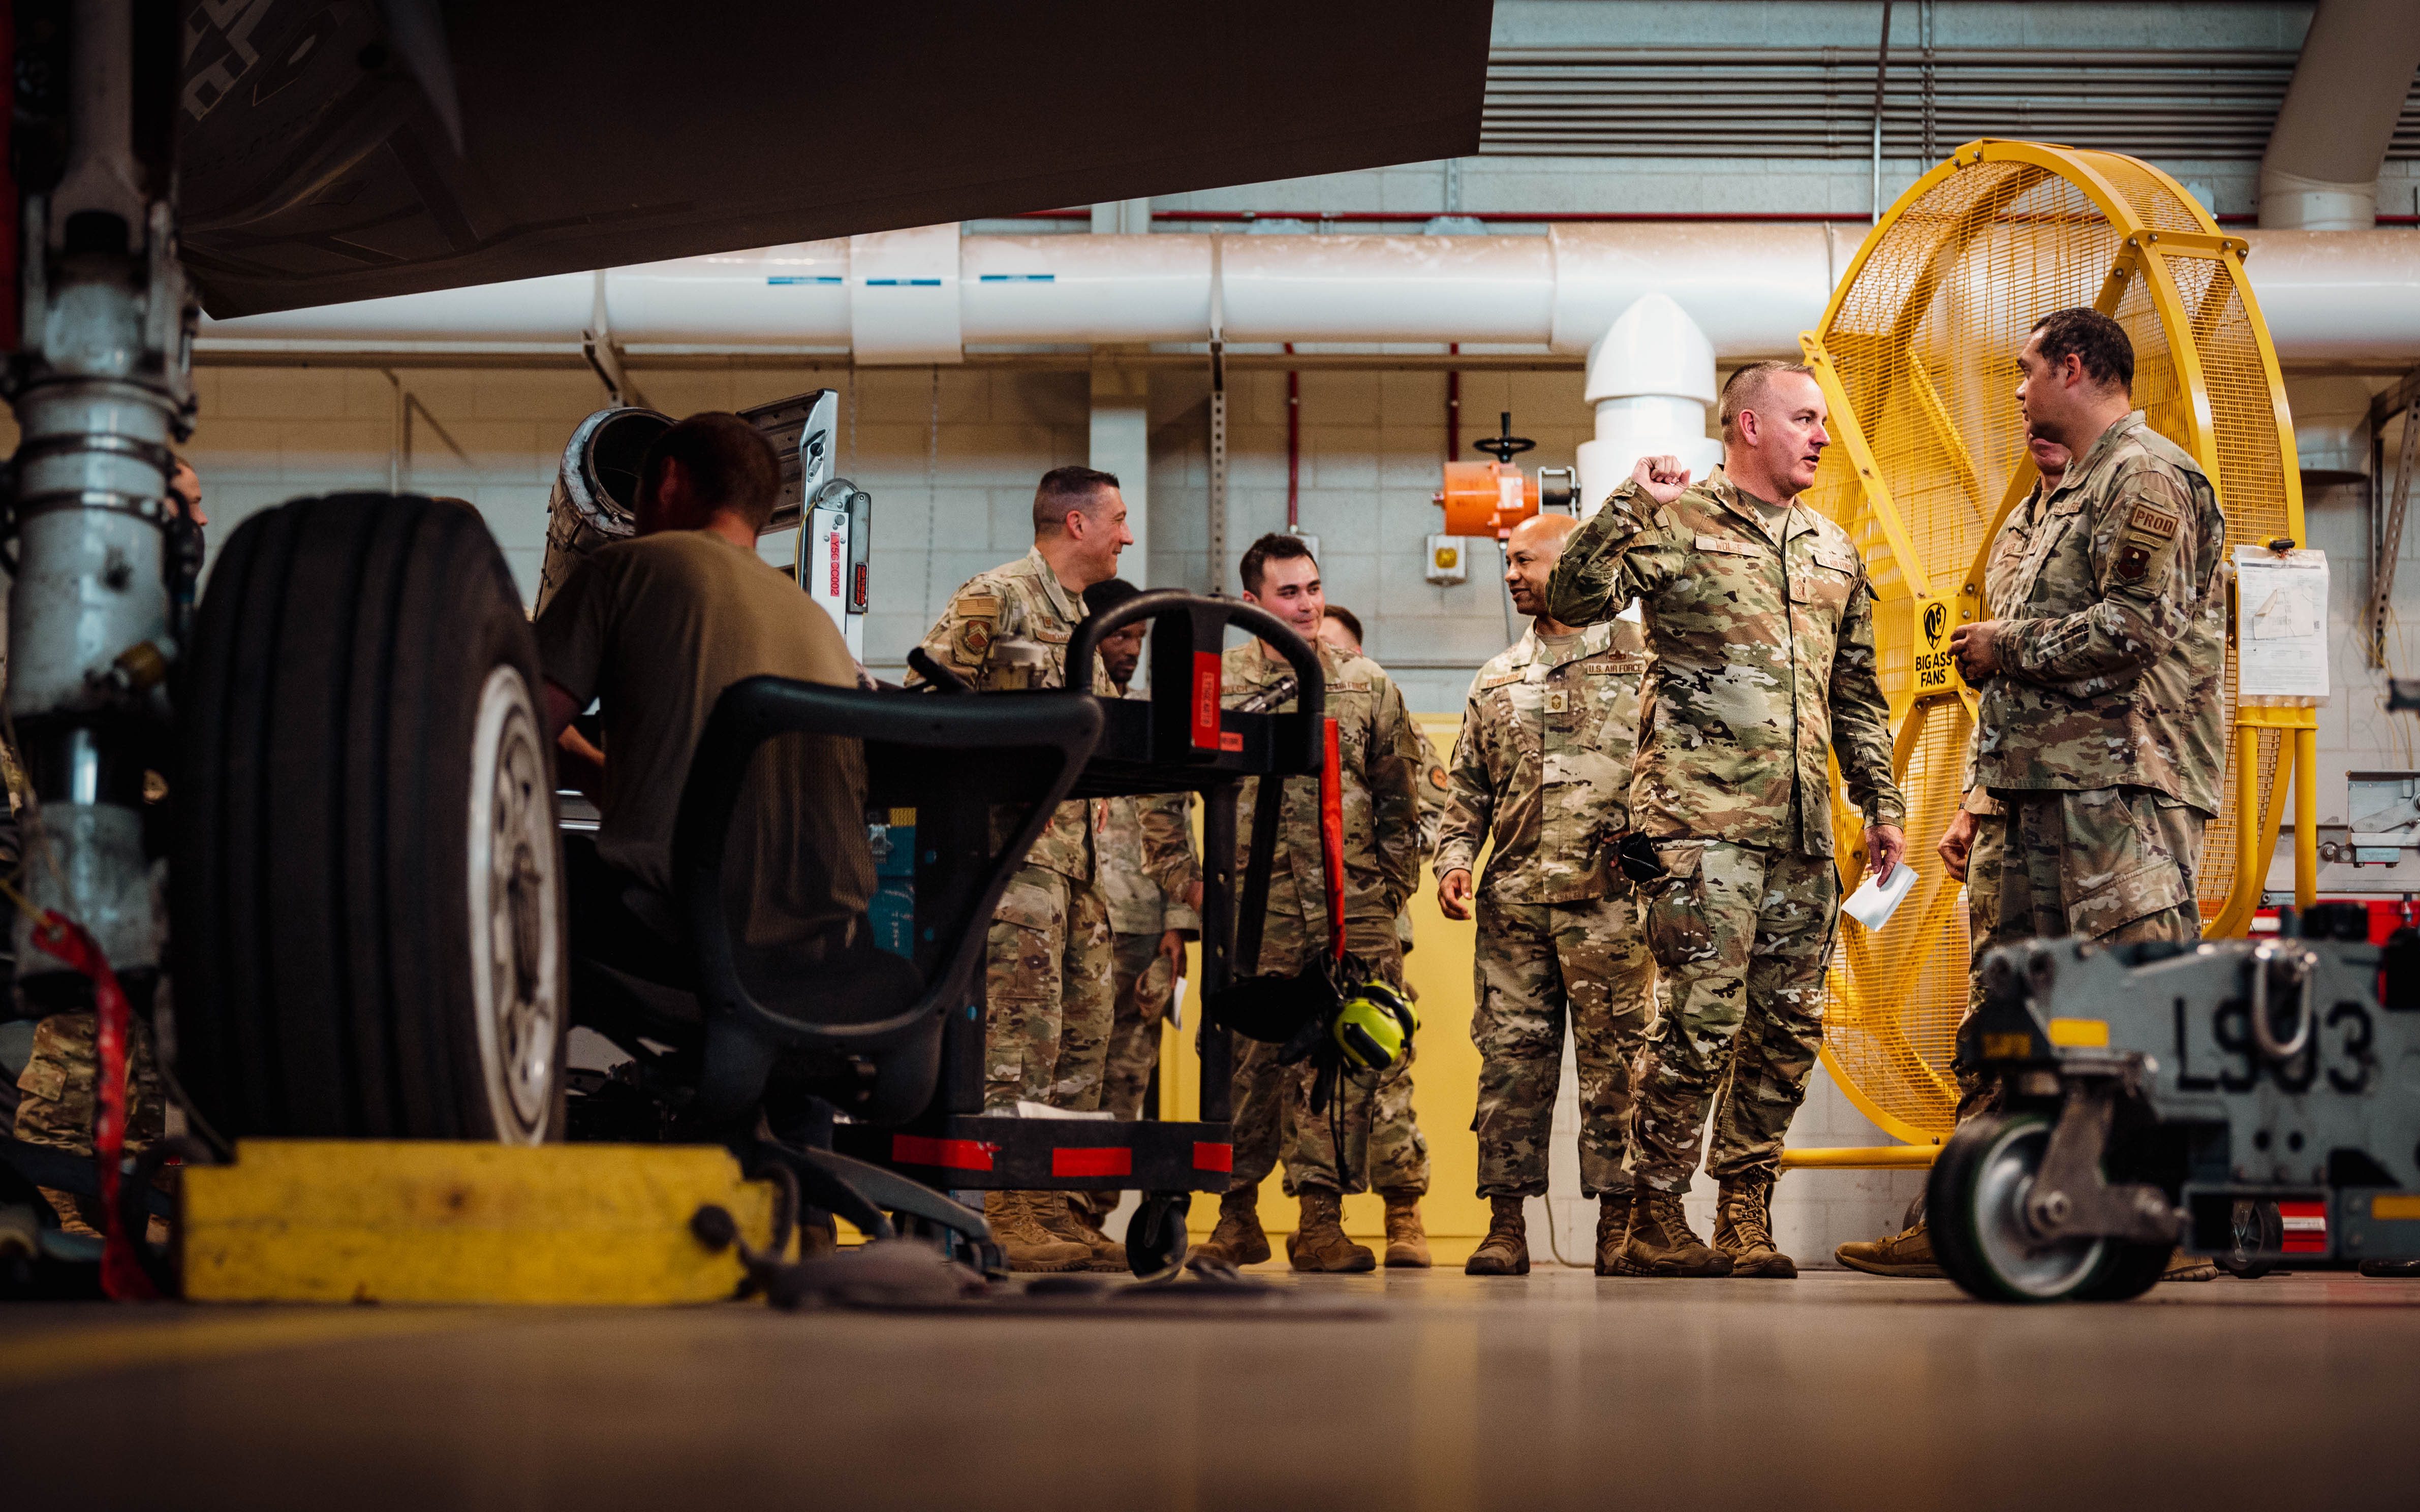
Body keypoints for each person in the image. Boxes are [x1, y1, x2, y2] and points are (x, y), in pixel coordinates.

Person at [1839, 308, 2227, 1281]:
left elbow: (2133, 628)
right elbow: (2015, 677)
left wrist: (2002, 646)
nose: (2015, 390)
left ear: (2076, 366)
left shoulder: (2147, 478)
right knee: (2003, 1014)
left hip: (2121, 795)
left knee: (2131, 1009)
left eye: (2024, 371)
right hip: (2028, 797)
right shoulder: (2044, 503)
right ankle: (1969, 1213)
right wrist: (1976, 794)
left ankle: (2152, 1224)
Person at [1545, 362, 1906, 1279]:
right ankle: (1658, 1212)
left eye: (1822, 421)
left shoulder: (1833, 549)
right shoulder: (1677, 521)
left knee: (1786, 1030)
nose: (1821, 437)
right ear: (1748, 426)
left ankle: (1745, 1213)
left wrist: (1881, 808)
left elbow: (1857, 694)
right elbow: (1573, 600)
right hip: (1698, 826)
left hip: (1801, 835)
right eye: (1804, 420)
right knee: (1699, 1023)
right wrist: (1629, 503)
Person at [915, 466, 1133, 1271]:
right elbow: (923, 701)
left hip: (1078, 870)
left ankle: (1051, 1204)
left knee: (1079, 1047)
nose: (1127, 534)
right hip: (1015, 866)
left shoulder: (1080, 616)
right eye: (1117, 519)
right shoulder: (997, 597)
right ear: (1076, 524)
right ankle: (1004, 1205)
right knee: (1018, 1044)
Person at [1193, 534, 1424, 1273]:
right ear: (1249, 603)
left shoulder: (1364, 683)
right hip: (1251, 909)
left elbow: (1399, 803)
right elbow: (1165, 795)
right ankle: (1236, 1217)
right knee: (1241, 1062)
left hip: (1346, 906)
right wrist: (1185, 882)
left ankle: (1320, 1222)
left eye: (1314, 589)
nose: (1306, 605)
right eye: (1288, 592)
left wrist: (1385, 893)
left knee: (1339, 1061)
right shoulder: (1215, 686)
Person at [1436, 512, 1656, 1276]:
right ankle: (1504, 1228)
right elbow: (1465, 791)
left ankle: (1619, 1230)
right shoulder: (1495, 677)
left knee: (1619, 1069)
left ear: (1573, 563)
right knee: (1509, 1067)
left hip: (1614, 906)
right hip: (1516, 909)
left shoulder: (1645, 659)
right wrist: (1454, 861)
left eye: (1523, 560)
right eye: (1506, 562)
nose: (1508, 574)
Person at [1072, 578, 1202, 1233]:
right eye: (1119, 635)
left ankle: (1092, 1218)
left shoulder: (1151, 721)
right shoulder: (1067, 711)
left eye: (1138, 639)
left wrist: (1178, 925)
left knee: (1126, 1079)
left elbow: (1172, 823)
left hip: (1143, 929)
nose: (1129, 650)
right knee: (1068, 1067)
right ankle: (1050, 1211)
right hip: (1078, 920)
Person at [1315, 603, 1437, 1268]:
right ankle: (1317, 1217)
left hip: (1373, 922)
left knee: (1382, 1067)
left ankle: (1403, 1213)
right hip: (1296, 919)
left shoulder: (1384, 708)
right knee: (1298, 1074)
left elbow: (1432, 804)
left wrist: (1394, 885)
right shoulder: (1287, 704)